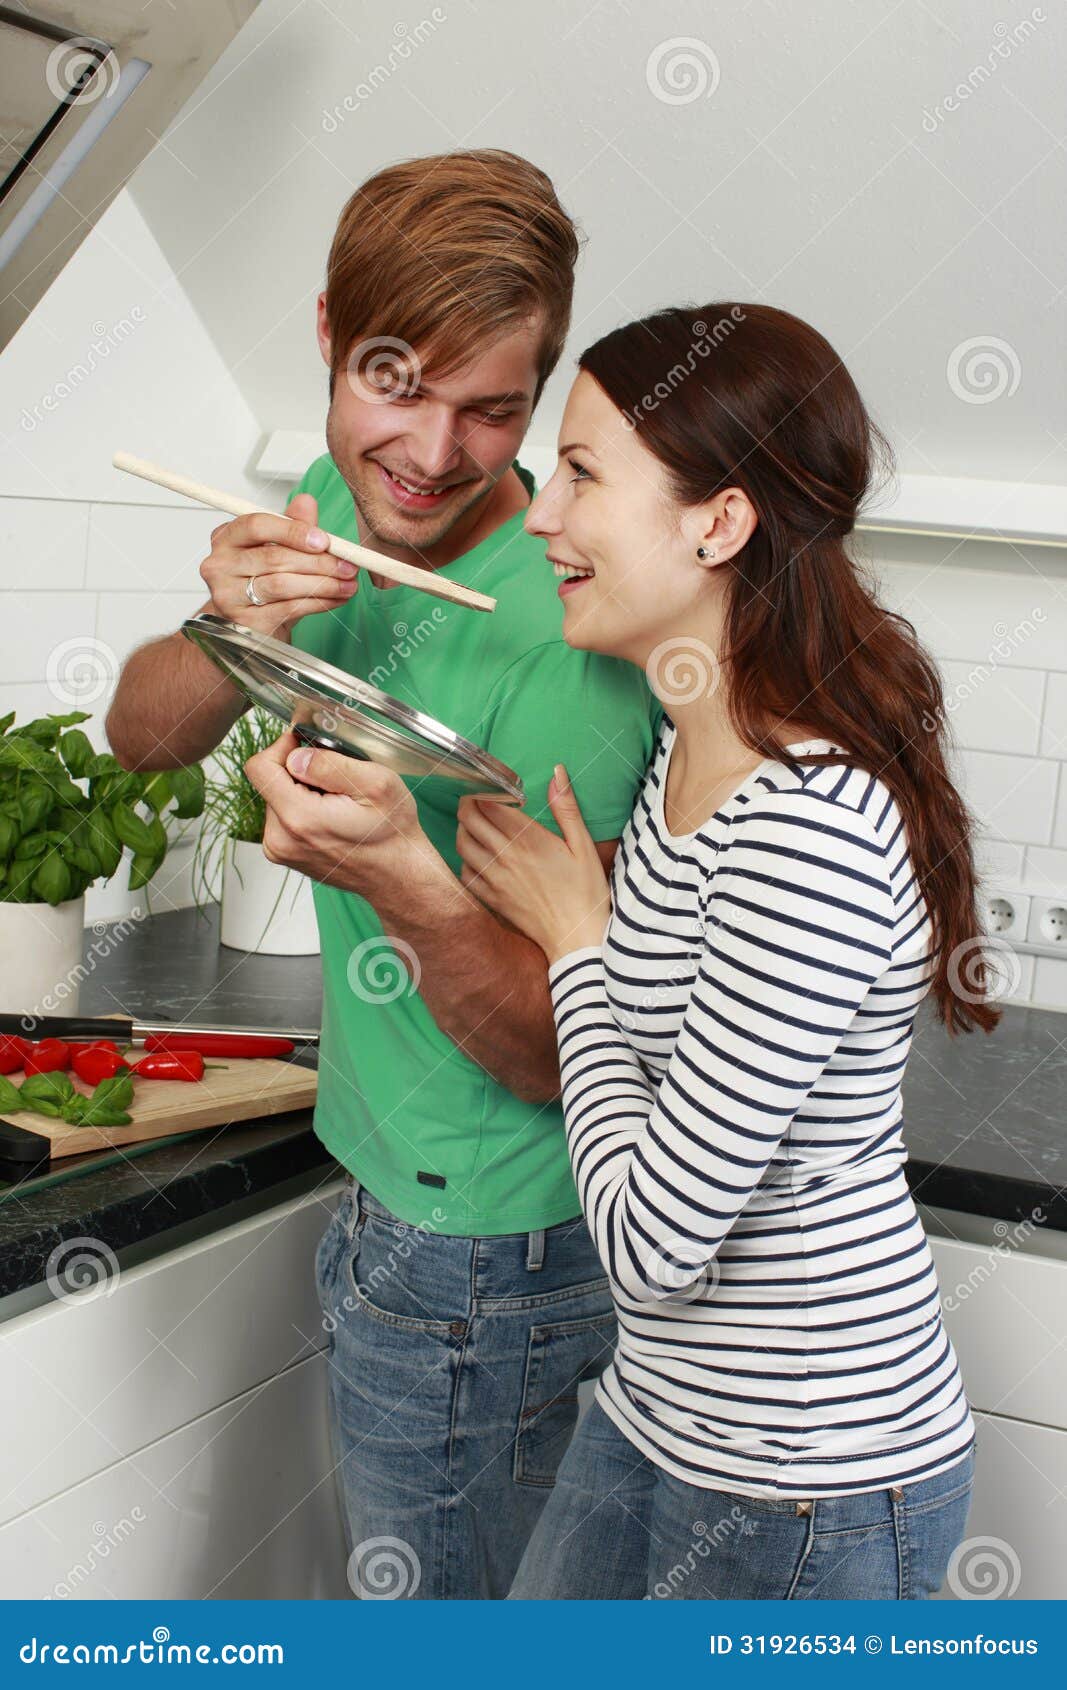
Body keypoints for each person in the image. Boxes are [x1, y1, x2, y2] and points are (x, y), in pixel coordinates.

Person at [106, 149, 660, 1600]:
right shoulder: (328, 498)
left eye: (493, 410)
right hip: (387, 1193)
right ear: (329, 338)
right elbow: (145, 733)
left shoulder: (575, 641)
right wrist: (223, 618)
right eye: (393, 383)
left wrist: (406, 878)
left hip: (488, 1250)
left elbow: (572, 1051)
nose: (429, 451)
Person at [456, 302, 991, 1601]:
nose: (541, 514)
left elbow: (652, 1243)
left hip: (813, 1482)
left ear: (719, 523)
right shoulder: (695, 747)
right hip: (657, 1414)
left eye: (581, 473)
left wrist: (576, 941)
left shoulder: (807, 822)